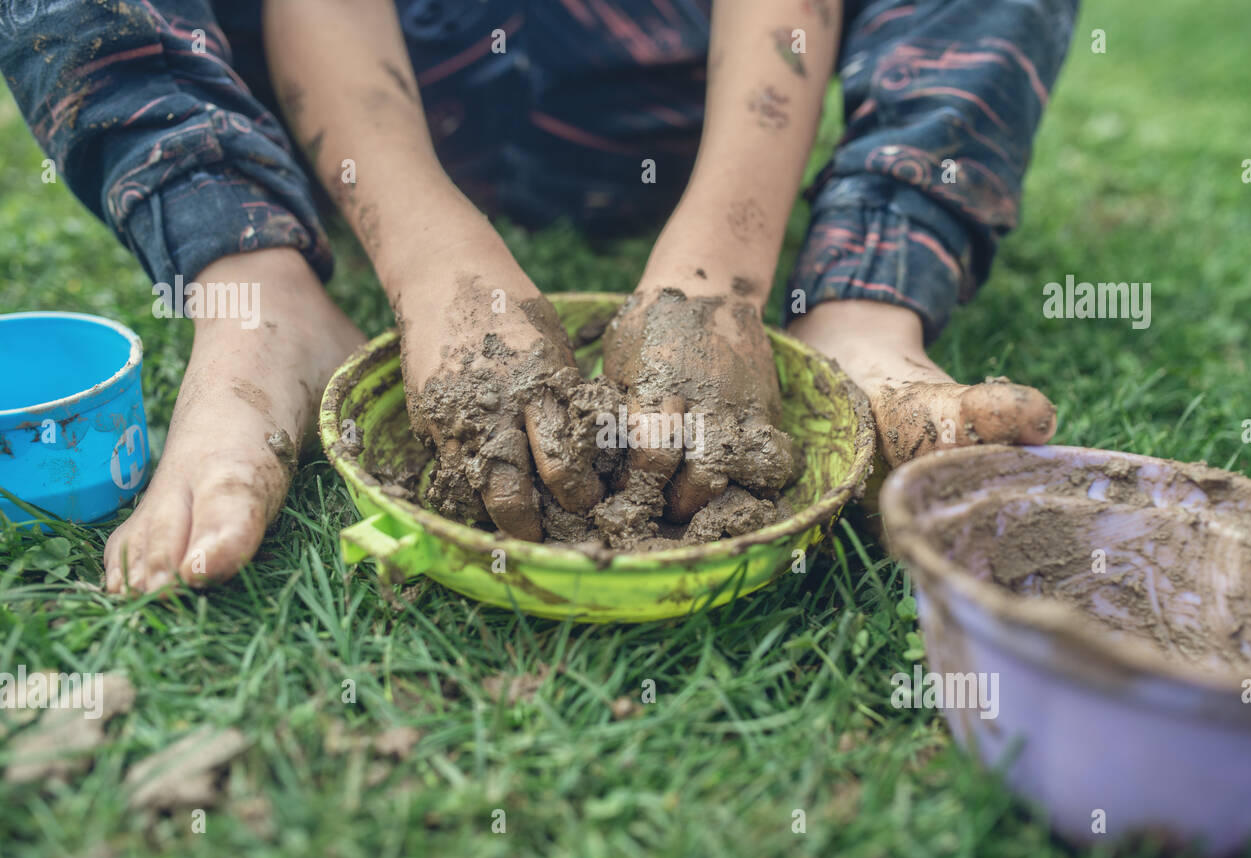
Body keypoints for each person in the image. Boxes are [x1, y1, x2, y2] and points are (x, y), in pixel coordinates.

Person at [0, 0, 1075, 592]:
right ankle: (258, 288)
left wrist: (718, 279)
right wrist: (427, 258)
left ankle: (862, 306)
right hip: (389, 74)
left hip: (671, 79)